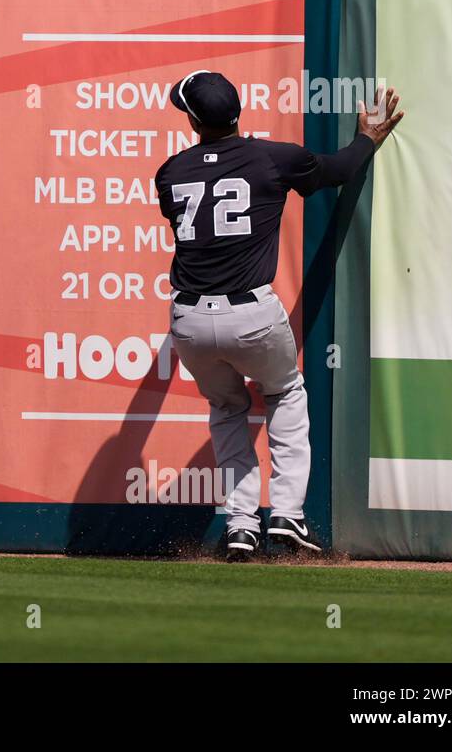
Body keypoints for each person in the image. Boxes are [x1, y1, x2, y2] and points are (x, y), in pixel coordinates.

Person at [154, 70, 403, 561]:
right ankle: (287, 515)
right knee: (285, 392)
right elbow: (337, 171)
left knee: (227, 409)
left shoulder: (170, 172)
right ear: (237, 113)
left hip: (189, 319)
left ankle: (242, 524)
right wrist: (367, 139)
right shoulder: (273, 158)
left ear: (193, 121)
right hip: (251, 313)